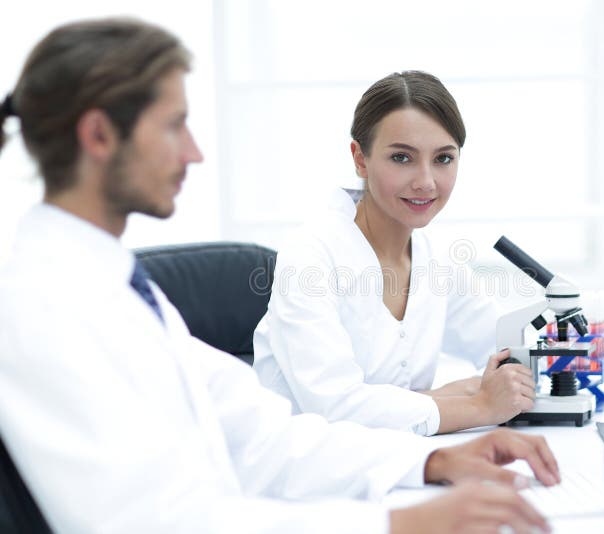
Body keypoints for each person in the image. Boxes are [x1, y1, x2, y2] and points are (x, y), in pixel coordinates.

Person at [0, 18, 561, 533]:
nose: (195, 153)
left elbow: (263, 437)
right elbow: (156, 521)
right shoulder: (41, 307)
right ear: (99, 136)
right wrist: (400, 524)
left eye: (444, 158)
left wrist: (432, 460)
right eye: (175, 126)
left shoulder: (116, 287)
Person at [253, 71, 536, 435]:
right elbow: (335, 408)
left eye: (444, 159)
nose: (426, 181)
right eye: (402, 158)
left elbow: (505, 346)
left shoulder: (436, 259)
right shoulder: (310, 256)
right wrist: (477, 405)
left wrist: (449, 396)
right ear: (360, 158)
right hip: (308, 475)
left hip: (408, 464)